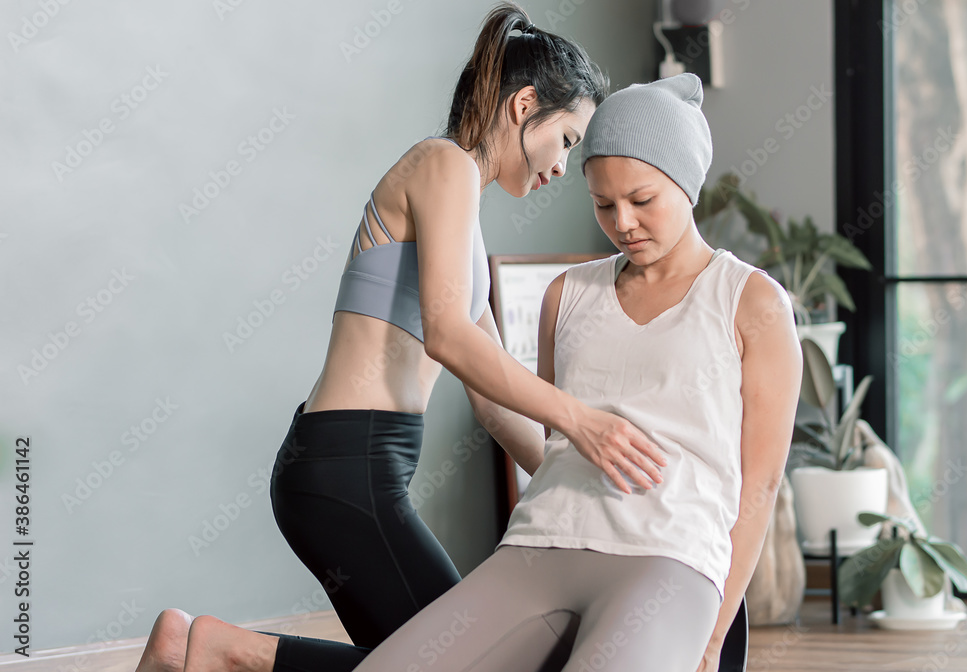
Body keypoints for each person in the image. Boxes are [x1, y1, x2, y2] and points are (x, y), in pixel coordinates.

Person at [134, 4, 671, 672]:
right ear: (524, 104)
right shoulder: (440, 165)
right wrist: (580, 420)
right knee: (463, 662)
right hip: (347, 463)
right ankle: (220, 652)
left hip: (355, 467)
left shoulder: (463, 219)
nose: (563, 168)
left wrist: (582, 484)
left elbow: (492, 393)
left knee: (431, 659)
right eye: (566, 139)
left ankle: (195, 650)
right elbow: (446, 335)